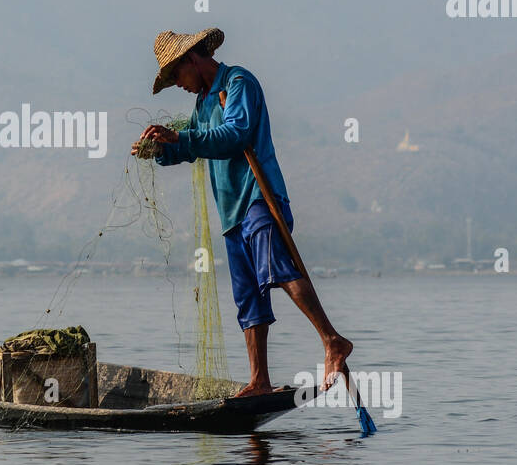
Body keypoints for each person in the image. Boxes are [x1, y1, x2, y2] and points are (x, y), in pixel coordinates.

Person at [132, 28, 353, 396]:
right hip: (231, 213)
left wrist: (182, 138)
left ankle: (332, 340)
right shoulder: (203, 102)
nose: (179, 85)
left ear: (191, 59)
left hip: (258, 199)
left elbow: (236, 135)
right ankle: (259, 380)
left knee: (277, 270)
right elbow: (192, 149)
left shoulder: (237, 83)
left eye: (177, 76)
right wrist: (159, 151)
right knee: (248, 297)